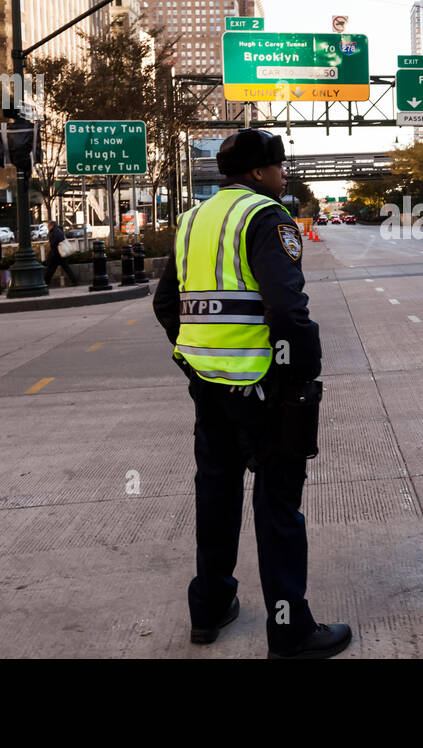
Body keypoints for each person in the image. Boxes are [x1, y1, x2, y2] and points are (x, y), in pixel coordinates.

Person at [152, 128, 350, 659]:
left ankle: (210, 608)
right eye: (280, 167)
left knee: (216, 493)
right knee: (278, 504)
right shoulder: (266, 217)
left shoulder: (193, 219)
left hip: (207, 383)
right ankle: (290, 630)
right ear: (260, 172)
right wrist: (300, 374)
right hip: (262, 385)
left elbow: (166, 304)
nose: (285, 176)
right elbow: (287, 309)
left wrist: (193, 353)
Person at [43, 220, 75, 286]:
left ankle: (45, 282)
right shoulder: (58, 230)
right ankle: (74, 281)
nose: (47, 227)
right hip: (60, 253)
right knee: (64, 268)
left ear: (51, 225)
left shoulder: (54, 232)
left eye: (48, 226)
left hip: (56, 254)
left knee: (51, 269)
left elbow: (54, 243)